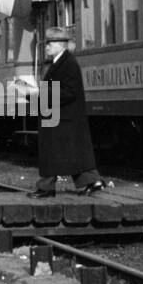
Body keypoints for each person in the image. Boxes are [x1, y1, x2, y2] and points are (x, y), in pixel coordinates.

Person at [29, 26, 103, 198]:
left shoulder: (68, 63)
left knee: (55, 152)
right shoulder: (62, 62)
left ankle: (46, 188)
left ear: (61, 44)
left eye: (50, 43)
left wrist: (39, 94)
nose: (46, 46)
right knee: (71, 154)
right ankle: (91, 182)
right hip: (60, 116)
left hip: (63, 117)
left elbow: (70, 91)